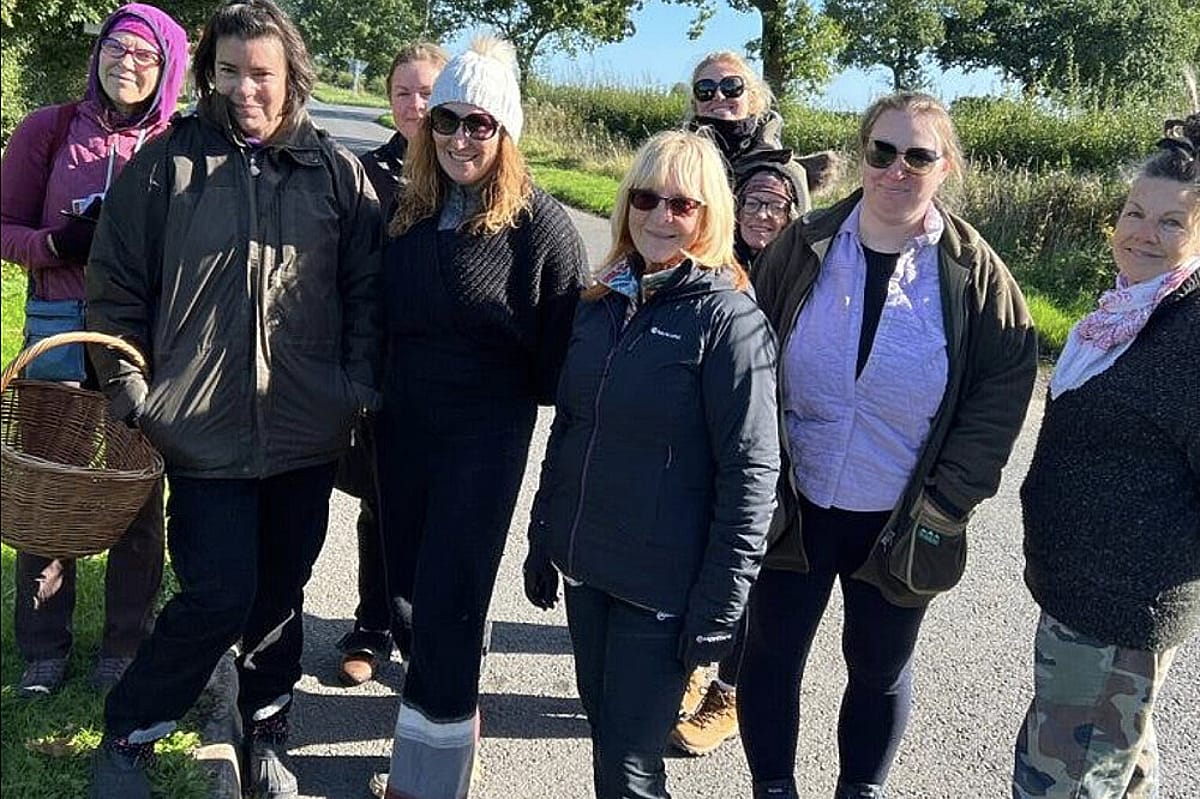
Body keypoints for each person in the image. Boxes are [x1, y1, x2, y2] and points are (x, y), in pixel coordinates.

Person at [84, 1, 382, 796]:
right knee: (218, 592)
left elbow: (367, 294)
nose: (244, 89)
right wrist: (136, 396)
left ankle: (266, 723)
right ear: (208, 72)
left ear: (291, 77)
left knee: (282, 591)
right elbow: (111, 291)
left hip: (305, 430)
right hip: (199, 431)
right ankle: (131, 729)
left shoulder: (333, 172)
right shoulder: (167, 165)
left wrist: (349, 390)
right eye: (228, 71)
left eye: (262, 73)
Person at [739, 91, 1038, 799]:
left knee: (877, 667)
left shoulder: (976, 274)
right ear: (863, 156)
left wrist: (948, 499)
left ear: (946, 167)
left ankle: (859, 791)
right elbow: (748, 350)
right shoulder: (805, 241)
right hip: (796, 501)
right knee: (771, 655)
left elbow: (1001, 395)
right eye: (882, 151)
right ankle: (773, 787)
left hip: (904, 518)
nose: (896, 169)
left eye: (918, 155)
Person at [523, 129, 781, 799]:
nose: (661, 217)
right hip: (588, 568)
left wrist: (722, 608)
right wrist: (543, 530)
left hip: (661, 589)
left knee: (631, 766)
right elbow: (574, 422)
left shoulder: (730, 321)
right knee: (607, 739)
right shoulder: (601, 300)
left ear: (709, 215)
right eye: (646, 198)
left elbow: (751, 478)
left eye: (682, 204)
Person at [375, 36, 586, 798]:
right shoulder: (405, 211)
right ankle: (450, 701)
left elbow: (565, 365)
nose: (462, 137)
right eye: (447, 120)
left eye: (481, 123)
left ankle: (429, 781)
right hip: (402, 429)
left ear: (507, 131)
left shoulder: (541, 229)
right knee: (406, 594)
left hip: (483, 437)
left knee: (452, 598)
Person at [0, 3, 188, 698]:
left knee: (136, 491)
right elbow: (4, 226)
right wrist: (56, 245)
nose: (127, 63)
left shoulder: (180, 142)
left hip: (140, 336)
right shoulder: (48, 130)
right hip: (56, 328)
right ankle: (43, 650)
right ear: (97, 54)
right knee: (48, 485)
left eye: (145, 55)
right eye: (116, 48)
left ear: (167, 69)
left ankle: (124, 646)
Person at [1012, 113, 1200, 799]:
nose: (1143, 233)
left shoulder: (1190, 328)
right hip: (1090, 606)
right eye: (1134, 212)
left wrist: (1145, 568)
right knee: (1118, 772)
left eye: (1171, 223)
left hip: (1119, 613)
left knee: (1060, 782)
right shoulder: (1130, 310)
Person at [665, 148, 807, 758]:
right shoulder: (712, 259)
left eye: (777, 204)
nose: (763, 214)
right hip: (706, 438)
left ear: (797, 212)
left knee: (749, 573)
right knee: (697, 555)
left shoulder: (812, 271)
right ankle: (697, 660)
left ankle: (731, 691)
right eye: (753, 200)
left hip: (775, 441)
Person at [335, 40, 448, 688]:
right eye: (403, 91)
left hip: (446, 375)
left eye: (428, 91)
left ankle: (429, 637)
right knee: (379, 505)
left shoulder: (468, 169)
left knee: (443, 513)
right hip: (380, 370)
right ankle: (371, 627)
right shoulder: (364, 173)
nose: (415, 104)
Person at [684, 50, 811, 212]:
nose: (718, 95)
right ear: (695, 103)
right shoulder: (677, 166)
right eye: (705, 89)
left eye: (731, 86)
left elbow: (800, 235)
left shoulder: (785, 170)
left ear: (752, 97)